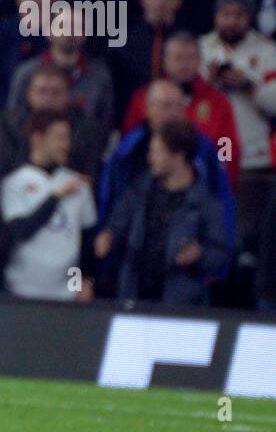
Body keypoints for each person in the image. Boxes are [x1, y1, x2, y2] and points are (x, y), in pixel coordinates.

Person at [96, 118, 231, 304]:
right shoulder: (138, 191)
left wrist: (199, 254)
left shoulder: (207, 203)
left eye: (157, 151)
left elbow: (221, 258)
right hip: (133, 300)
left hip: (181, 306)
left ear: (178, 156)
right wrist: (109, 236)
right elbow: (117, 224)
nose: (149, 157)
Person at [199, 0, 276, 249]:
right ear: (216, 14)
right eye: (226, 13)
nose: (231, 21)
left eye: (239, 14)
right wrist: (207, 84)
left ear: (250, 16)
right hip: (208, 159)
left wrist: (249, 85)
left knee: (249, 240)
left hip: (253, 161)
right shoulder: (200, 48)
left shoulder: (268, 52)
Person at [0, 111, 96, 301]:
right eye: (59, 138)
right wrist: (55, 197)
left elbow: (87, 241)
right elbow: (21, 231)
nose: (66, 145)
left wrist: (85, 282)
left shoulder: (78, 184)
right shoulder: (14, 183)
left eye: (68, 138)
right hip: (22, 290)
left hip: (67, 294)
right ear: (38, 139)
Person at [122, 32, 240, 186]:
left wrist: (222, 180)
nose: (184, 64)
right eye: (178, 58)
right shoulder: (145, 98)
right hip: (147, 188)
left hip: (203, 190)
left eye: (190, 58)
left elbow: (228, 146)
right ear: (165, 61)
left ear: (199, 61)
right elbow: (128, 144)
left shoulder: (218, 101)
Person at [0, 64, 104, 184]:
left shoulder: (85, 129)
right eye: (42, 91)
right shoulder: (9, 124)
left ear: (67, 95)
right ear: (29, 95)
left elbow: (89, 174)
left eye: (56, 92)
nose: (48, 99)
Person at [7, 10, 115, 140]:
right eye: (62, 26)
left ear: (85, 35)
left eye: (76, 27)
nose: (69, 32)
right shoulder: (26, 74)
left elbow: (104, 124)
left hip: (82, 150)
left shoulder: (99, 77)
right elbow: (13, 119)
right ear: (49, 32)